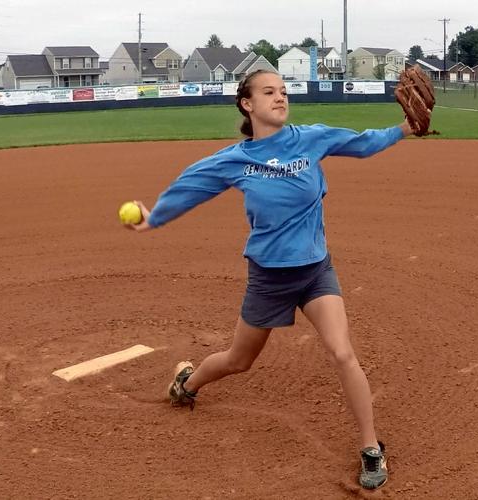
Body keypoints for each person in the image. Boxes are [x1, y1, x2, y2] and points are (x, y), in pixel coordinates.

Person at [125, 69, 415, 490]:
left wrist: (405, 128)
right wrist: (155, 218)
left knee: (342, 353)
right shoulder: (236, 160)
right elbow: (192, 185)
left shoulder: (311, 138)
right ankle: (188, 383)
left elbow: (363, 143)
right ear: (247, 104)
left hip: (315, 270)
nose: (280, 98)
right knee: (239, 361)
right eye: (269, 92)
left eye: (283, 91)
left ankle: (371, 449)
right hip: (268, 278)